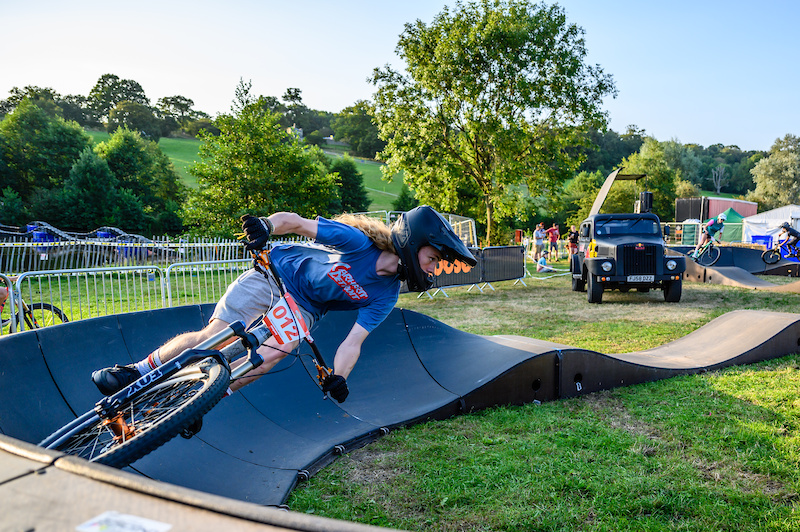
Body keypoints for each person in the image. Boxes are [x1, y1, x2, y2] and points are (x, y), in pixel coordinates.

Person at [91, 206, 477, 431]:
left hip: (305, 307)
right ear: (414, 243)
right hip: (275, 273)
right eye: (434, 257)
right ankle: (137, 370)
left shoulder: (386, 294)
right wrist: (266, 226)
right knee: (219, 336)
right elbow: (296, 223)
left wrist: (341, 377)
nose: (435, 267)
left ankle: (199, 402)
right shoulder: (358, 243)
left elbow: (352, 343)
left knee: (268, 357)